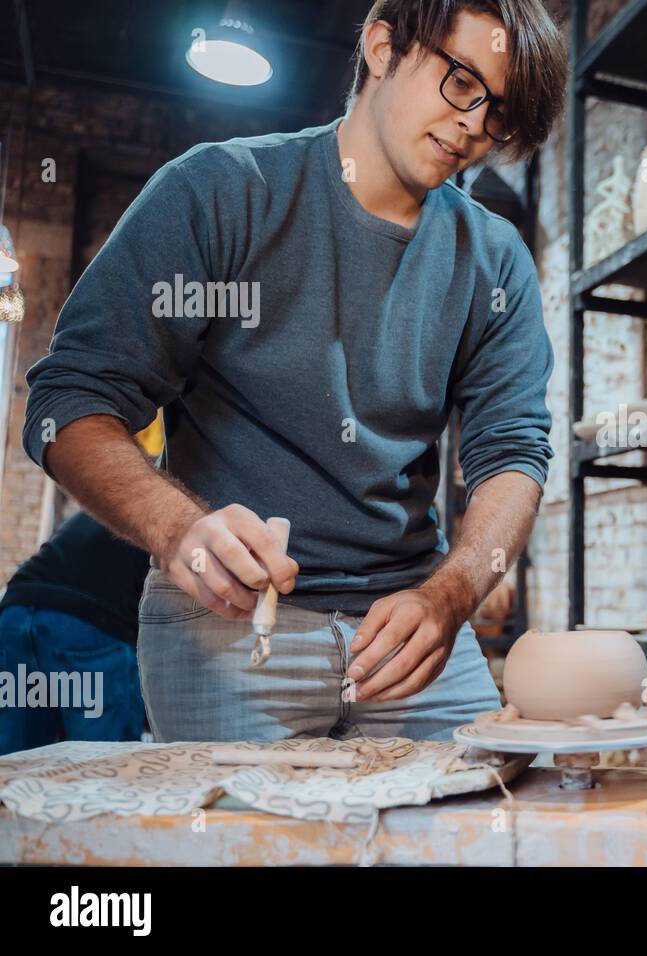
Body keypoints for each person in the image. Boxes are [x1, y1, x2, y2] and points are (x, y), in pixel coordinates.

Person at [20, 0, 566, 743]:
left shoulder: (495, 258)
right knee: (253, 846)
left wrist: (453, 595)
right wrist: (181, 530)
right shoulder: (218, 190)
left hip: (411, 628)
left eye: (498, 112)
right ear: (382, 44)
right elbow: (69, 402)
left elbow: (514, 453)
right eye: (463, 83)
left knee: (478, 835)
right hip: (229, 624)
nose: (476, 125)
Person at [0, 512, 150, 755]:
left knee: (16, 760)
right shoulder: (175, 517)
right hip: (90, 625)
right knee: (100, 765)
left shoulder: (107, 503)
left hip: (16, 613)